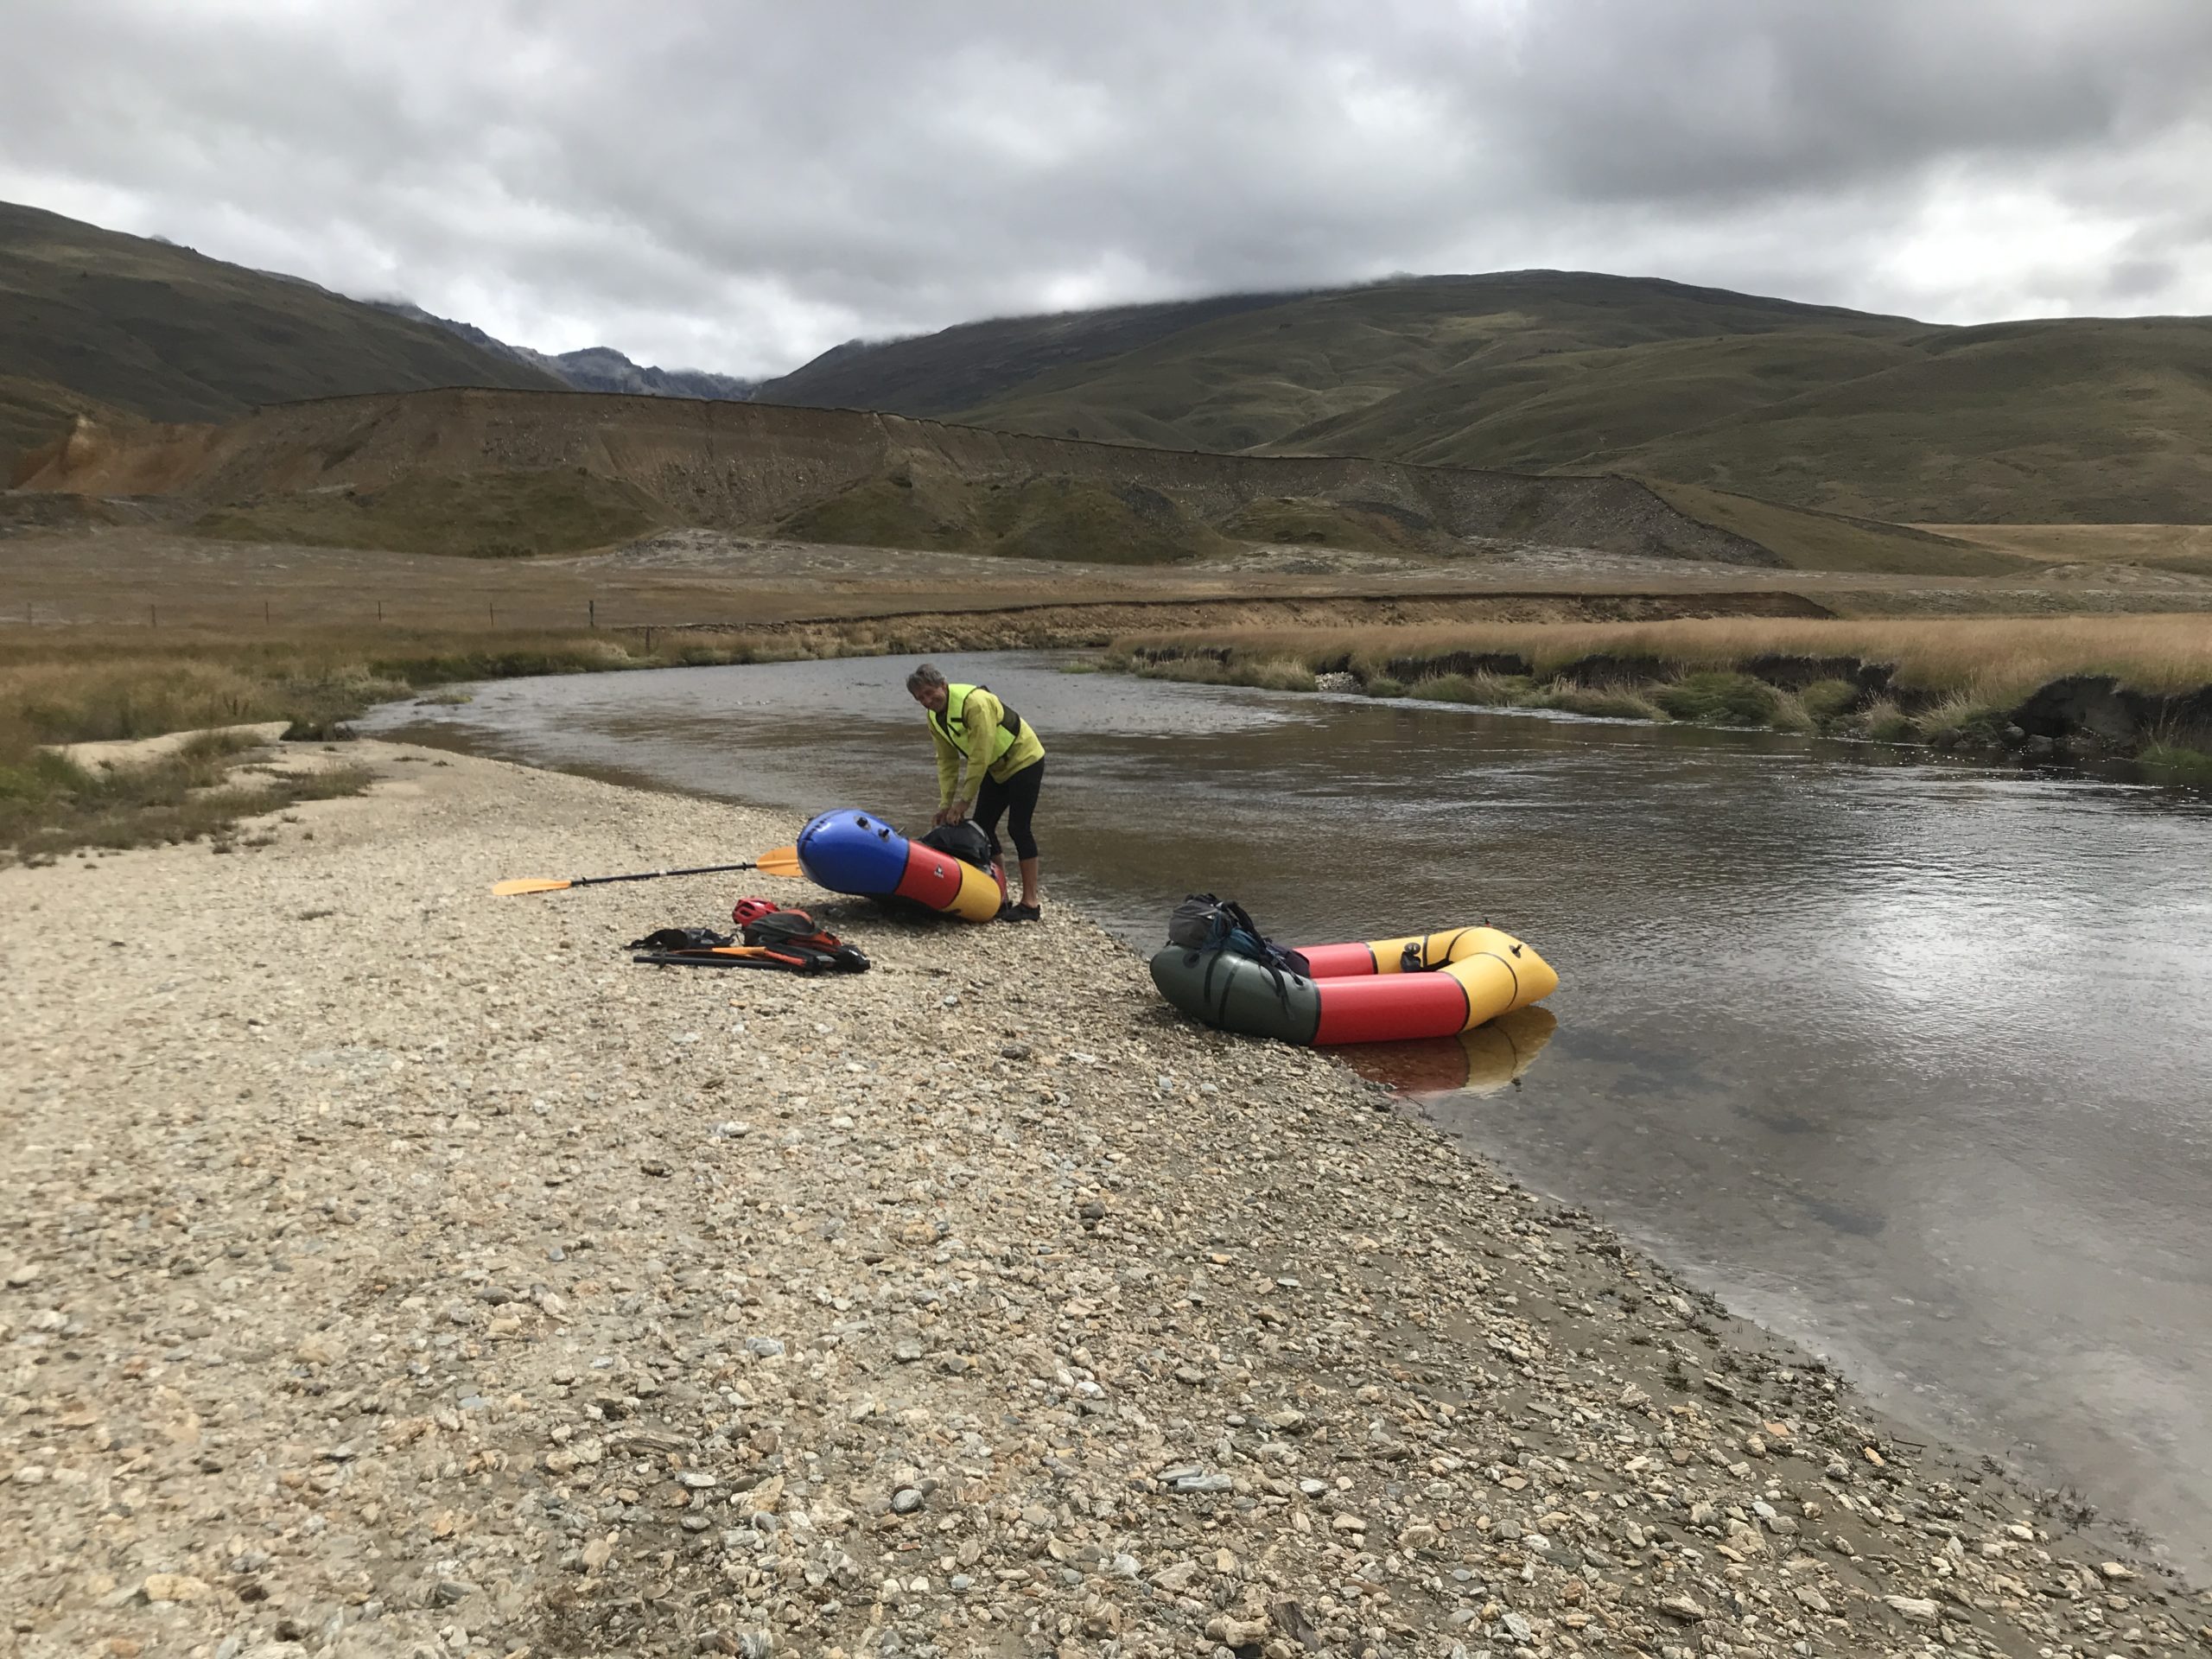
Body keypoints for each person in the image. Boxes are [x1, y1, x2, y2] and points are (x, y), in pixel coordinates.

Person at [906, 663, 1046, 922]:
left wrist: (963, 802)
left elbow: (979, 757)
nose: (927, 701)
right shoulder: (935, 717)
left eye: (929, 693)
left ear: (943, 685)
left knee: (1018, 828)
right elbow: (946, 761)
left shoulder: (976, 704)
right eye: (920, 698)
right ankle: (999, 895)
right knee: (983, 827)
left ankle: (1031, 903)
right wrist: (946, 804)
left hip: (1024, 760)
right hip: (995, 768)